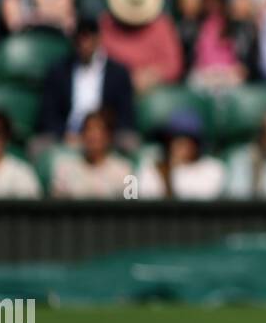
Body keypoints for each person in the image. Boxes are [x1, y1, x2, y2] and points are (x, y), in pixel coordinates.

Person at [38, 16, 137, 149]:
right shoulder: (59, 72)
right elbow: (48, 114)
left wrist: (104, 134)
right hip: (68, 134)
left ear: (98, 39)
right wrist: (64, 134)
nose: (84, 44)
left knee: (130, 142)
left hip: (107, 134)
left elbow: (125, 116)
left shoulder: (118, 73)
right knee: (37, 146)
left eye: (88, 37)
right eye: (80, 39)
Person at [136, 108, 226, 199]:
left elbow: (205, 196)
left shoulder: (212, 168)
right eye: (176, 140)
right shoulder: (153, 168)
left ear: (197, 145)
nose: (181, 146)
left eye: (187, 141)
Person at [49, 108, 134, 198]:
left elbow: (133, 207)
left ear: (109, 136)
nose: (92, 136)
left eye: (98, 130)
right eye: (88, 130)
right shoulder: (64, 170)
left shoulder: (126, 170)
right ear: (82, 135)